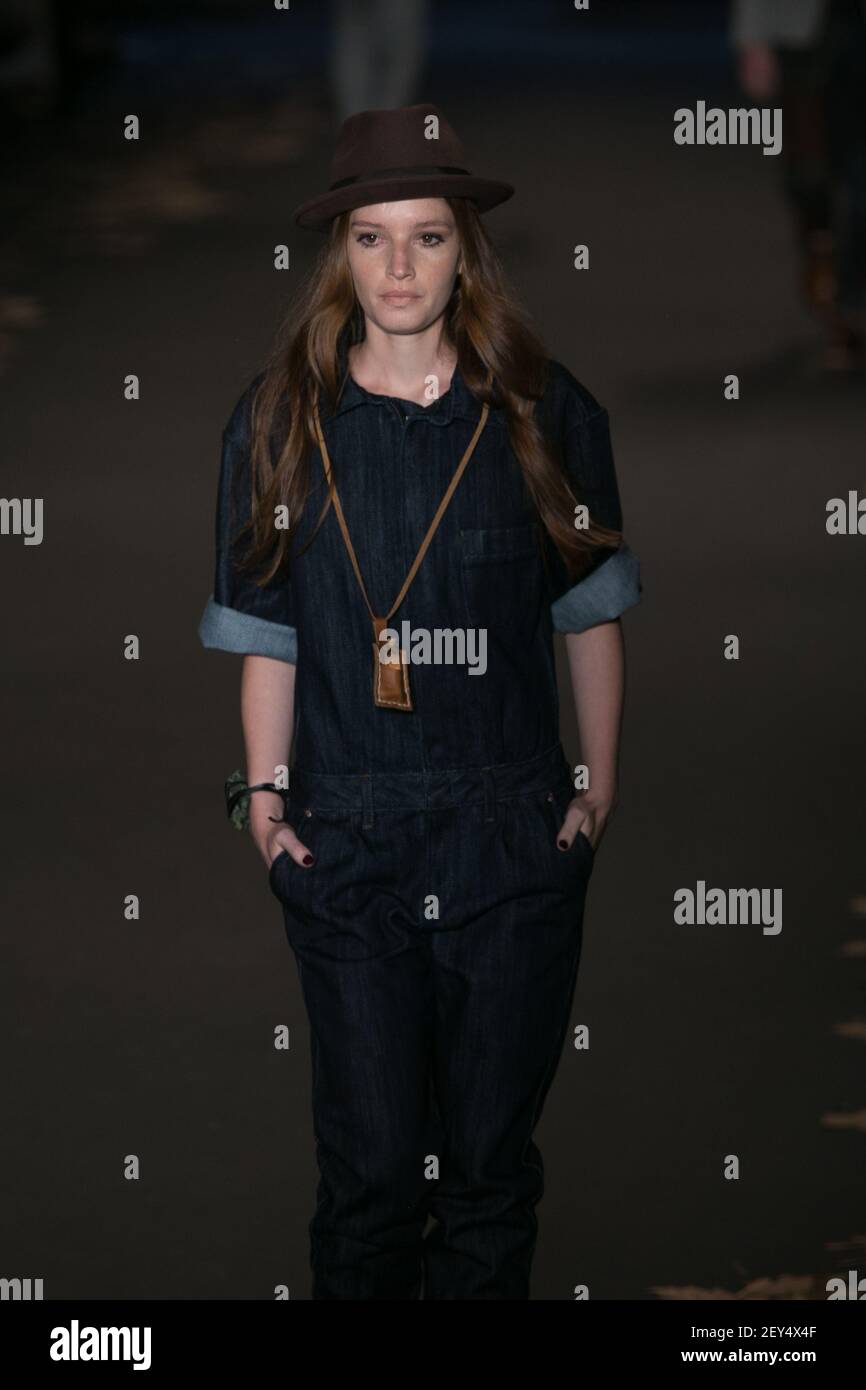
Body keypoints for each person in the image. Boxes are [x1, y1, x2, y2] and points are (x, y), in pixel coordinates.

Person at [198, 103, 643, 1300]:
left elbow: (589, 614)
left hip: (509, 832)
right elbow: (267, 634)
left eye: (428, 237)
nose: (399, 266)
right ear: (337, 253)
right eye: (372, 236)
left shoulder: (547, 417)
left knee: (490, 1177)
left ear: (466, 251)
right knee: (370, 1177)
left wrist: (593, 796)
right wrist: (265, 801)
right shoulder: (280, 424)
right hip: (343, 835)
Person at [732, 0, 866, 370]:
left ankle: (846, 301)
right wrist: (753, 38)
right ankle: (835, 302)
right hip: (804, 33)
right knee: (810, 174)